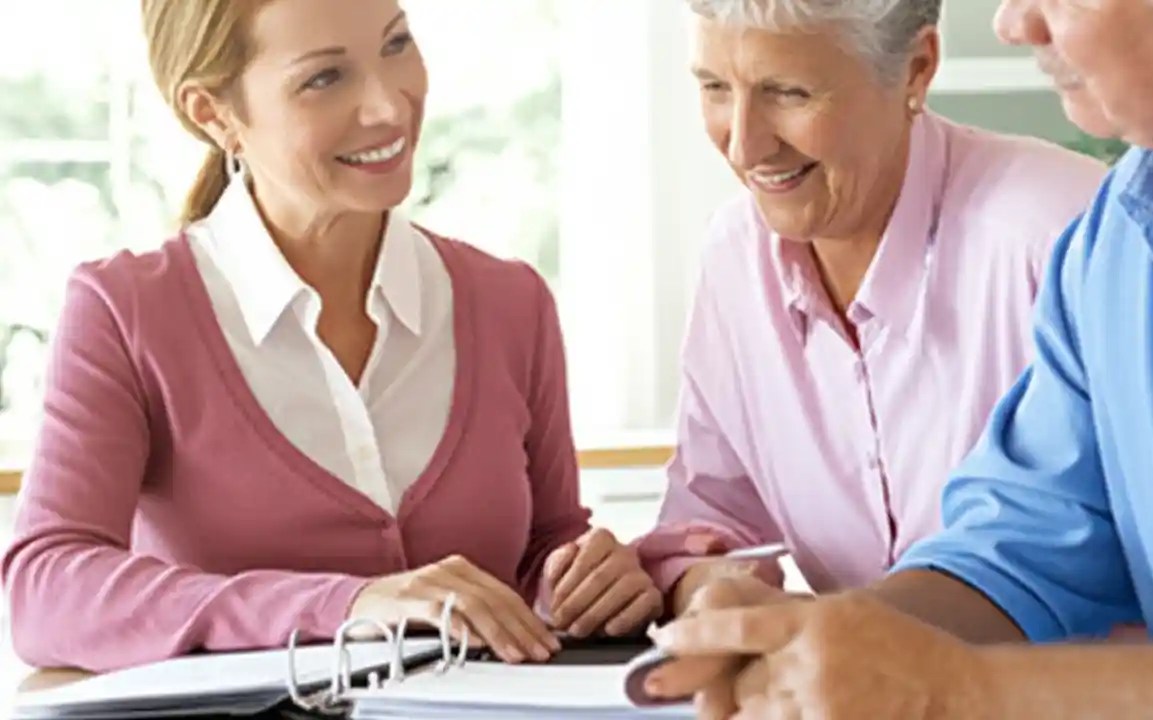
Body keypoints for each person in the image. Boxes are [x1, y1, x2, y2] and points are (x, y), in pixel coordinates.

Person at [645, 0, 1153, 716]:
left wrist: (961, 688)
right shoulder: (1118, 239)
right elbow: (1021, 549)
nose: (1013, 23)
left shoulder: (1053, 223)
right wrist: (812, 643)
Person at [0, 0, 660, 674]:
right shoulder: (126, 312)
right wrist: (347, 605)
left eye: (396, 44)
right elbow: (46, 590)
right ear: (213, 114)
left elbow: (545, 554)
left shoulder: (510, 302)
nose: (388, 106)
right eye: (324, 78)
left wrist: (589, 585)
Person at [633, 0, 1105, 614]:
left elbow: (1106, 559)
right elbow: (711, 522)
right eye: (715, 88)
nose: (745, 146)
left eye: (789, 93)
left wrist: (831, 631)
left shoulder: (1063, 237)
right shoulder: (736, 254)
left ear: (916, 68)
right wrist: (713, 591)